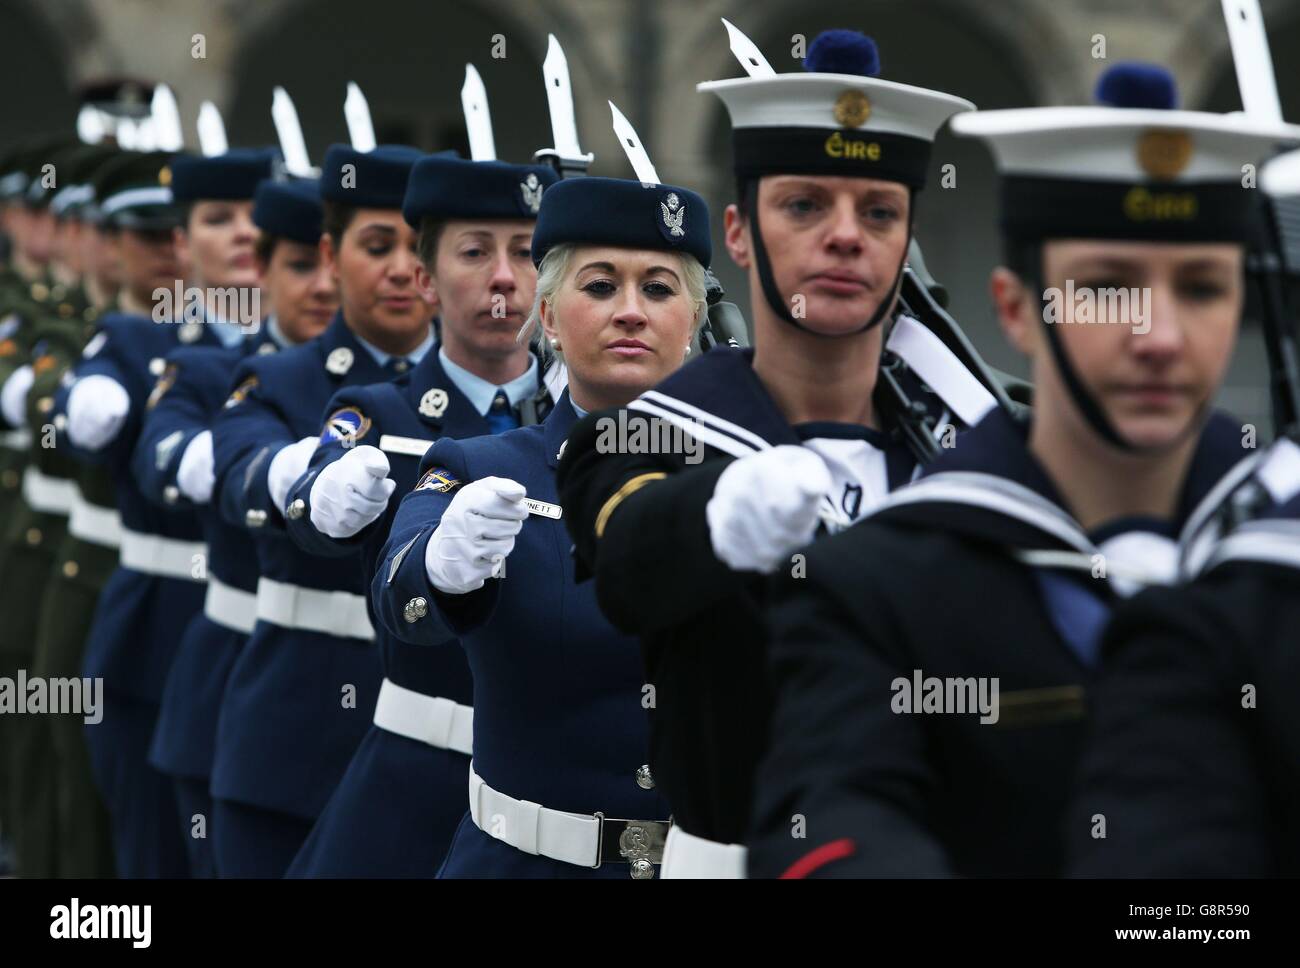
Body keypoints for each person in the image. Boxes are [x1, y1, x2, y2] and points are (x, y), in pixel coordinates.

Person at [745, 62, 1297, 878]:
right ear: (1016, 309)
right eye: (1109, 289)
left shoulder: (1277, 550)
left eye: (1202, 288)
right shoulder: (876, 582)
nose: (1160, 336)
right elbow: (829, 816)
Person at [557, 28, 992, 877]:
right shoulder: (650, 433)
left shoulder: (974, 447)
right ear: (741, 231)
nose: (844, 237)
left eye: (879, 211)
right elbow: (631, 558)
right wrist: (718, 514)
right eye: (804, 205)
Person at [374, 150, 714, 877]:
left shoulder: (744, 483)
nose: (630, 309)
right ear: (551, 319)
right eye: (600, 285)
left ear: (693, 322)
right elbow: (399, 595)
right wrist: (442, 569)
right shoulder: (484, 468)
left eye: (658, 288)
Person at [284, 151, 559, 877]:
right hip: (416, 783)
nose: (504, 277)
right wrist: (323, 502)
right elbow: (314, 504)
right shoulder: (381, 412)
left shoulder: (589, 429)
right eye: (475, 252)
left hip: (546, 804)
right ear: (428, 279)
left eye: (527, 254)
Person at [209, 144, 431, 877]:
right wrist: (304, 480)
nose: (402, 267)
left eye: (419, 245)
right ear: (333, 256)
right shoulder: (279, 377)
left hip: (435, 767)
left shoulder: (492, 395)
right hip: (296, 738)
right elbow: (241, 469)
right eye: (377, 245)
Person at [51, 147, 266, 878]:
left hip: (278, 652)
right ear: (181, 242)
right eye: (218, 219)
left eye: (254, 218)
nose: (242, 233)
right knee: (155, 854)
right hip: (161, 626)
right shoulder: (144, 338)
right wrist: (83, 407)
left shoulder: (304, 350)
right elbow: (87, 393)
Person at [132, 169, 330, 877]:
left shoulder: (397, 387)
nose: (323, 285)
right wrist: (230, 464)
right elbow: (163, 461)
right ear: (262, 270)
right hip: (239, 675)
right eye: (301, 265)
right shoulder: (218, 372)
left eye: (331, 263)